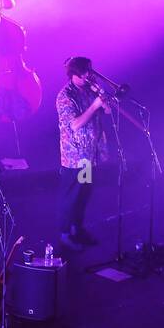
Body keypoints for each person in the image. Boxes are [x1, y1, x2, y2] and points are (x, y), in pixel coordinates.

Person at [56, 57, 110, 250]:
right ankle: (64, 235)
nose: (88, 76)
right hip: (75, 157)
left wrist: (103, 103)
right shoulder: (65, 96)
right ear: (74, 75)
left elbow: (108, 111)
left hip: (89, 155)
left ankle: (77, 229)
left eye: (89, 72)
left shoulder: (88, 89)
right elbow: (75, 124)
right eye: (84, 73)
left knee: (84, 193)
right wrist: (94, 106)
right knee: (71, 195)